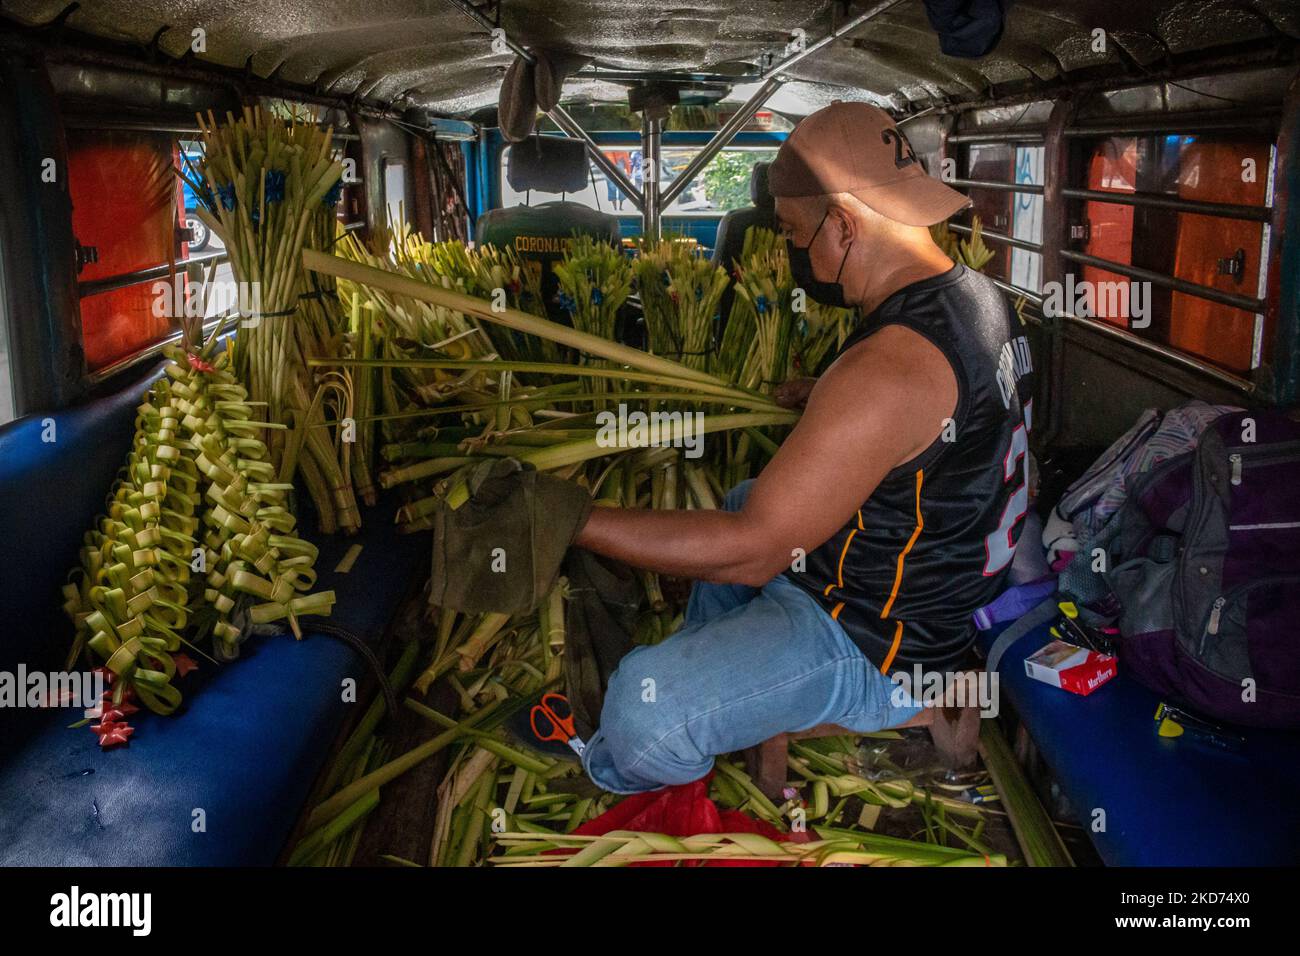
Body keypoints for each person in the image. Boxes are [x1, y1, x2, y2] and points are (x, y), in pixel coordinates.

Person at [566, 102, 1036, 793]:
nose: (793, 254)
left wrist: (576, 519)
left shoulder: (886, 369)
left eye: (793, 233)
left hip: (884, 646)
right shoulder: (981, 300)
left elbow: (753, 546)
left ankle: (607, 764)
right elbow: (947, 418)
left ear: (844, 225)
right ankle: (730, 667)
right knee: (744, 496)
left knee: (645, 705)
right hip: (931, 581)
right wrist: (827, 393)